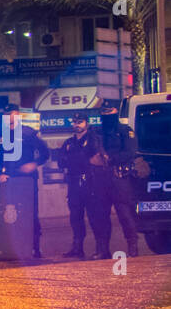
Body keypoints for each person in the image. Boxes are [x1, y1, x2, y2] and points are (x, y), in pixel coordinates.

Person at [0, 104, 50, 259]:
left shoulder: (28, 132)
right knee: (8, 214)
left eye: (13, 114)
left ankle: (34, 247)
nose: (10, 117)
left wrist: (34, 164)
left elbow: (45, 153)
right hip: (8, 180)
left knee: (30, 213)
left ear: (18, 115)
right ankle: (11, 247)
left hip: (27, 181)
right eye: (7, 115)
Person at [87, 100, 141, 259]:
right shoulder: (96, 133)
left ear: (115, 112)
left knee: (124, 214)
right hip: (100, 179)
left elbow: (130, 152)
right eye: (103, 113)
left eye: (108, 112)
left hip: (119, 178)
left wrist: (110, 159)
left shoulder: (124, 131)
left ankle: (132, 247)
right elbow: (87, 153)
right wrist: (92, 160)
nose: (105, 115)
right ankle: (102, 249)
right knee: (100, 216)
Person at [56, 114, 101, 258]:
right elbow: (61, 161)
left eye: (80, 122)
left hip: (90, 182)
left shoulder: (93, 139)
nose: (77, 125)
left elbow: (91, 157)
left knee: (95, 216)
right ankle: (77, 248)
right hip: (74, 182)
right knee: (75, 217)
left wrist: (74, 159)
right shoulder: (70, 142)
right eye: (75, 122)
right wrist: (76, 159)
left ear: (86, 123)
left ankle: (101, 249)